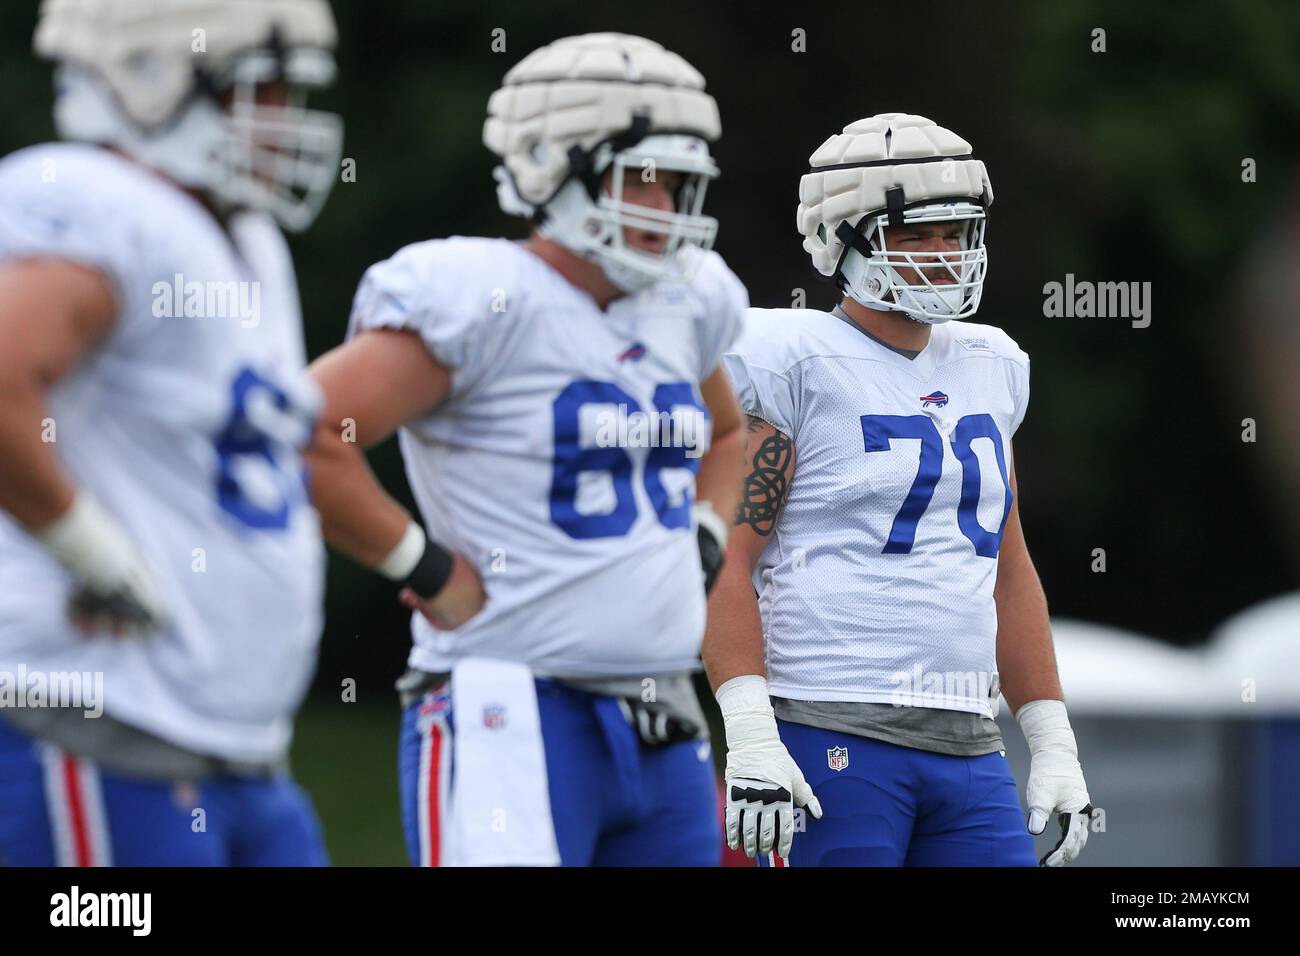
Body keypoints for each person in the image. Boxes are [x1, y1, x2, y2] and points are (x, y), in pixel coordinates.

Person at [305, 33, 749, 866]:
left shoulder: (691, 302)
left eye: (679, 181)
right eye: (641, 175)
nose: (664, 203)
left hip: (664, 713)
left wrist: (708, 533)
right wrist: (422, 566)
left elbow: (730, 433)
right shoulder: (483, 298)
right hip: (508, 702)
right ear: (556, 166)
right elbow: (305, 429)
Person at [0, 0, 344, 866]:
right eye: (260, 89)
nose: (284, 120)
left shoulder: (244, 236)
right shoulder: (94, 199)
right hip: (96, 722)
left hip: (239, 750)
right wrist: (91, 552)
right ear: (147, 78)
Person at [706, 114, 1093, 867]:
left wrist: (1051, 740)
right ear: (839, 239)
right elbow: (723, 560)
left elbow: (1008, 575)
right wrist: (751, 732)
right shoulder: (797, 362)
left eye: (957, 232)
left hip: (970, 744)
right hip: (832, 732)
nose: (944, 253)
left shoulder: (991, 364)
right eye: (917, 234)